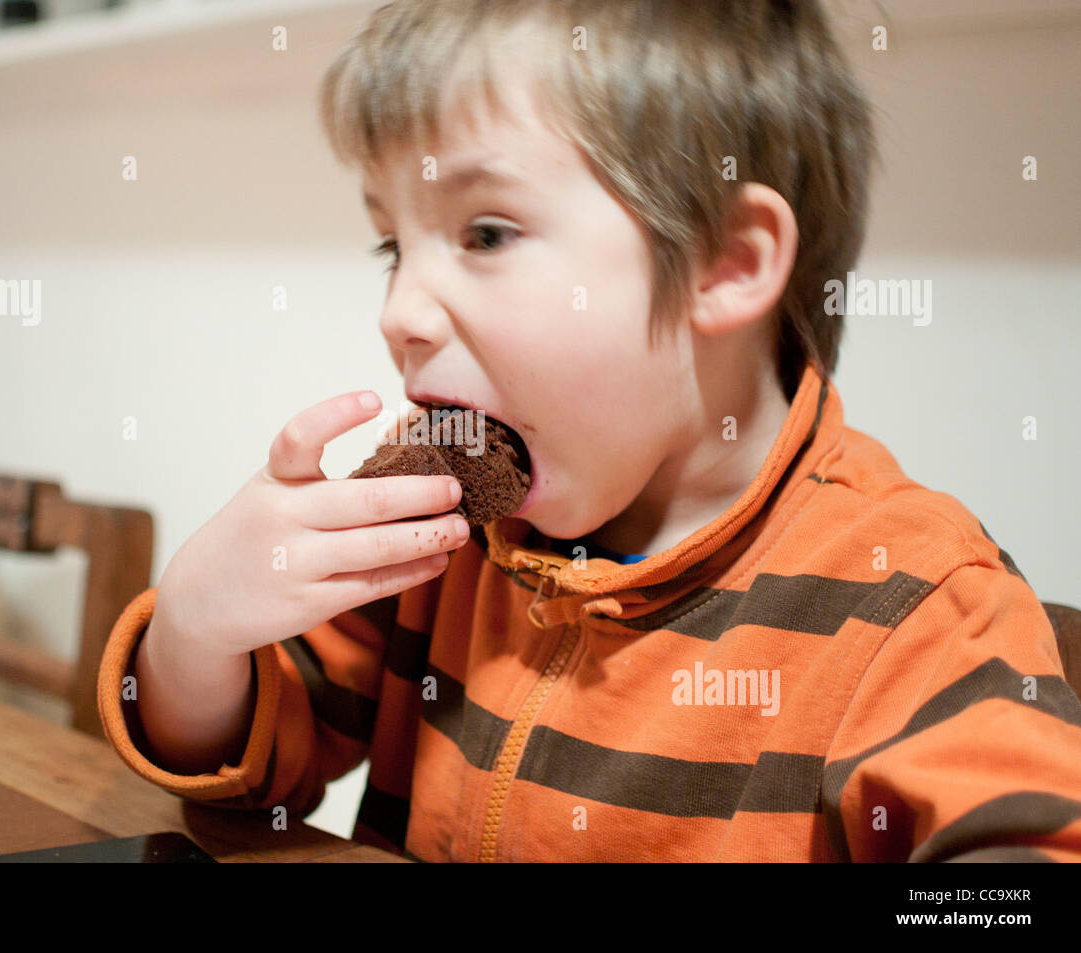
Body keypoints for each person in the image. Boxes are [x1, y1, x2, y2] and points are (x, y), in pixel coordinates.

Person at [97, 0, 1081, 861]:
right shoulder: (441, 543)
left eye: (485, 232)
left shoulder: (908, 602)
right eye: (393, 244)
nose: (400, 309)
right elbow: (249, 761)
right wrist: (195, 630)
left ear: (723, 265)